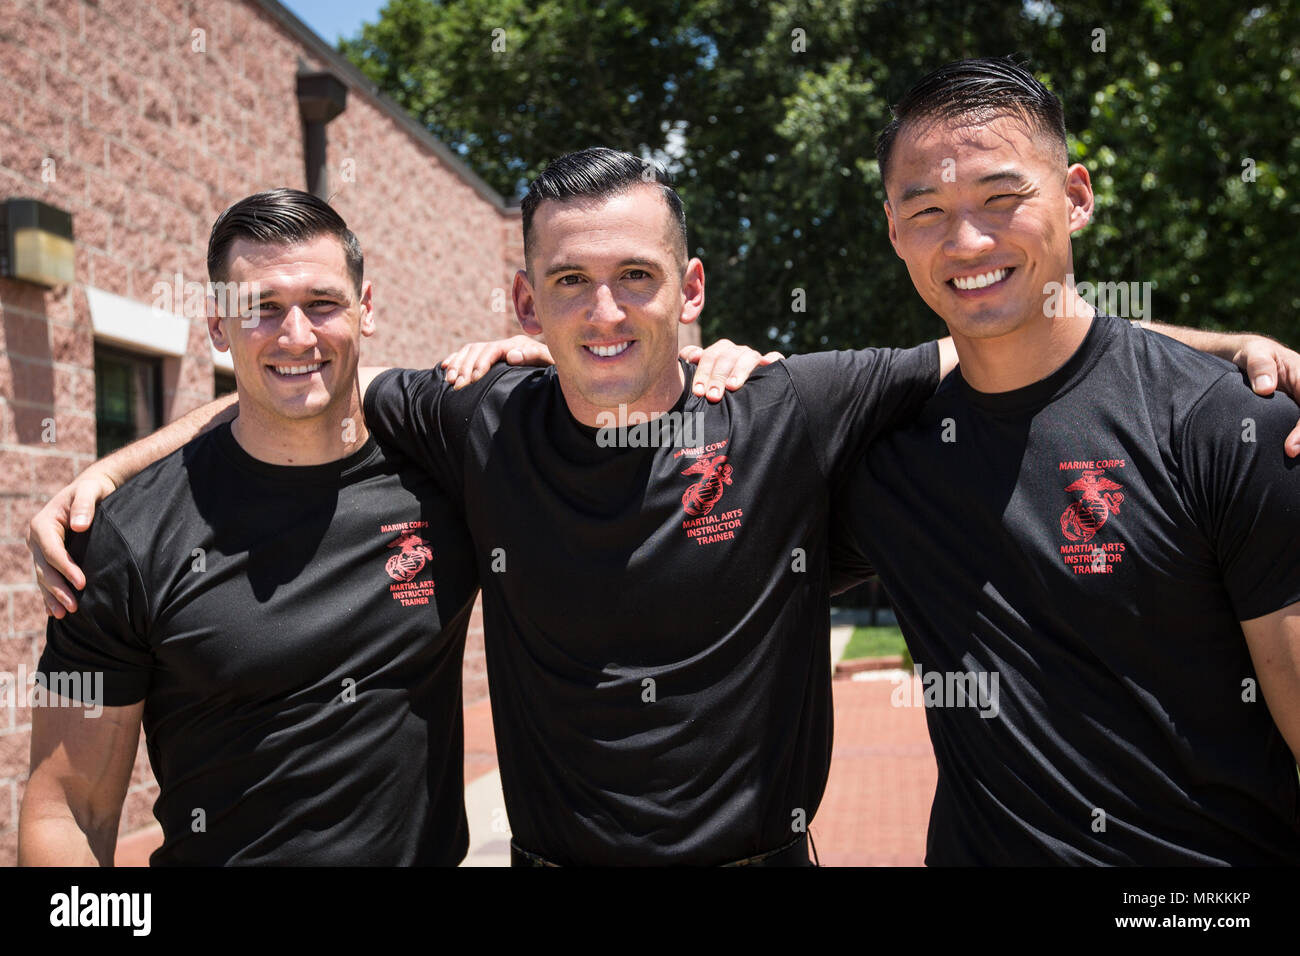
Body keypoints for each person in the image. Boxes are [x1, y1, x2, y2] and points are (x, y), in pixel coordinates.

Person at [28, 150, 1299, 866]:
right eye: (567, 283)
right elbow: (299, 407)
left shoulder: (791, 408)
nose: (603, 312)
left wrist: (1221, 341)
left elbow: (1012, 327)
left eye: (635, 277)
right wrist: (125, 469)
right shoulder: (467, 424)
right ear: (522, 306)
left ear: (688, 285)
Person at [830, 56, 1300, 864]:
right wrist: (538, 374)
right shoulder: (882, 456)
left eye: (1002, 198)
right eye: (929, 209)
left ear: (1077, 196)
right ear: (893, 230)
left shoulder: (1230, 427)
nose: (968, 239)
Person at [18, 188, 548, 865]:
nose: (296, 335)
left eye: (323, 304)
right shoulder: (124, 536)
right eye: (261, 309)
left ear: (367, 309)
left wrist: (717, 374)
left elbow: (620, 392)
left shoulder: (445, 478)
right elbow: (67, 810)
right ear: (217, 327)